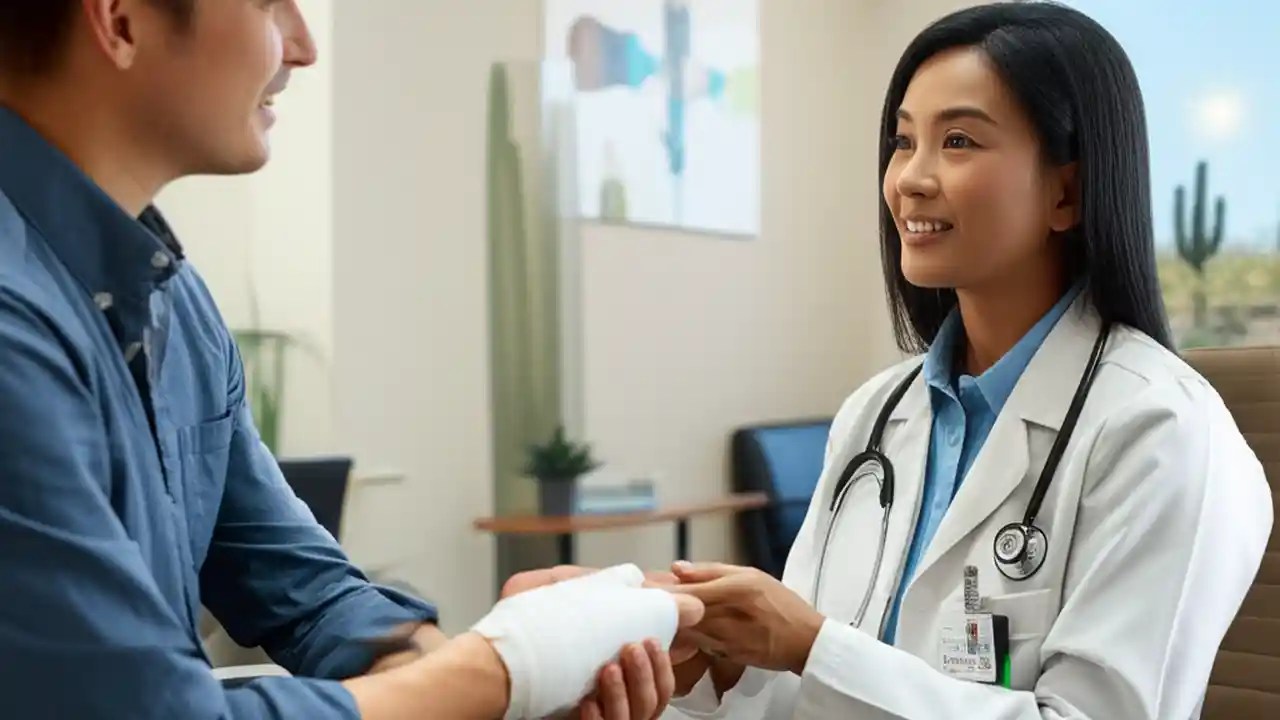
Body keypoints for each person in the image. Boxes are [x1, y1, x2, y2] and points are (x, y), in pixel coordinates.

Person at [0, 1, 696, 718]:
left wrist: (485, 672)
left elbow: (305, 592)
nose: (302, 49)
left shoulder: (178, 307)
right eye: (270, 7)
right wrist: (510, 667)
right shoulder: (12, 318)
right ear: (119, 21)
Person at [651, 3, 1272, 718]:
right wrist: (701, 669)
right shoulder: (875, 415)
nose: (909, 179)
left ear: (1066, 191)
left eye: (957, 141)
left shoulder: (1162, 431)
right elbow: (804, 694)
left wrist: (810, 646)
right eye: (902, 141)